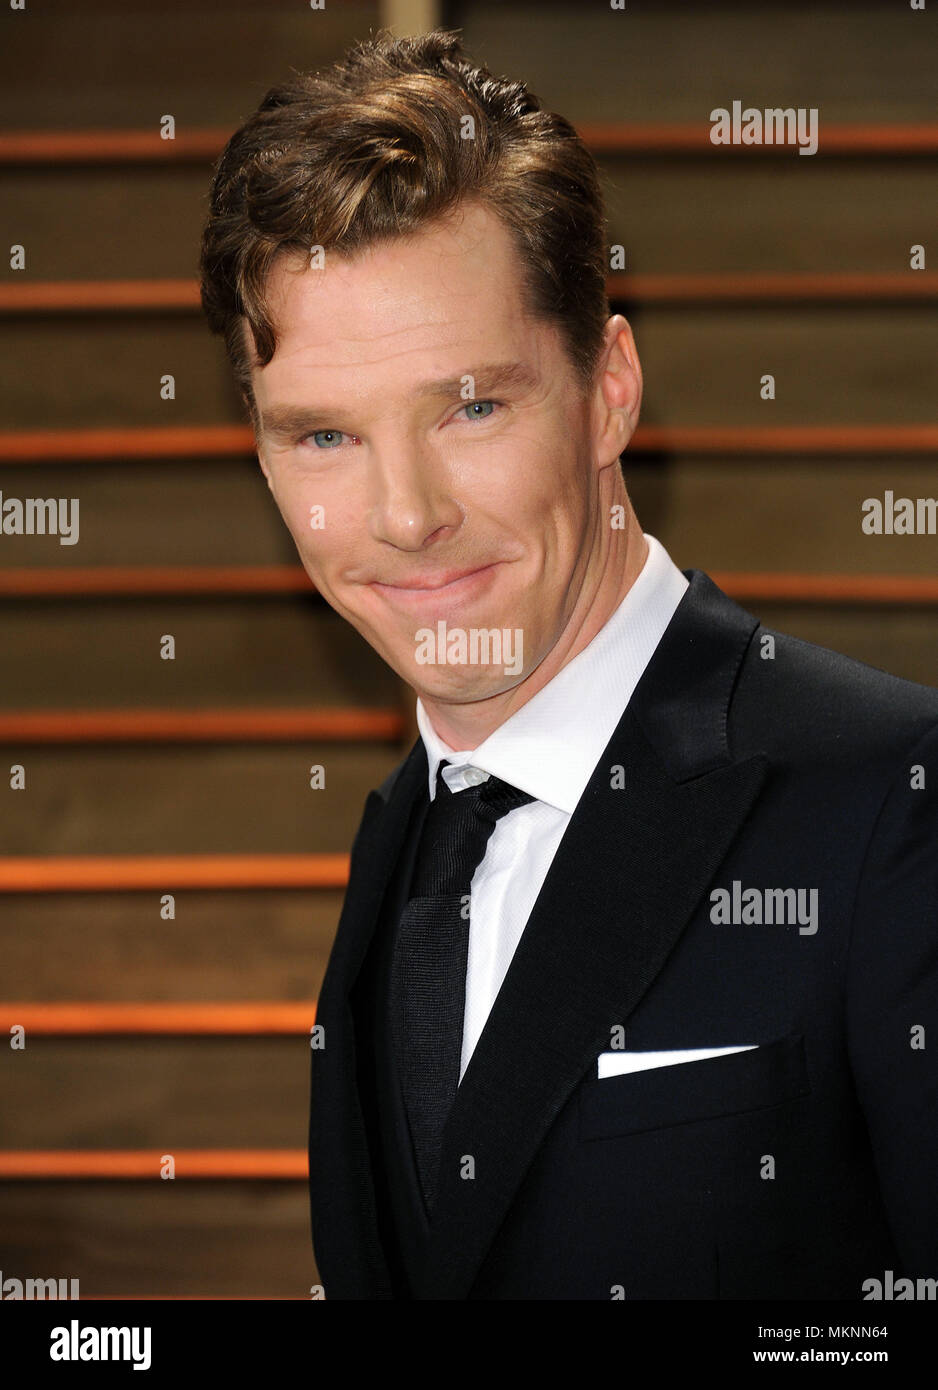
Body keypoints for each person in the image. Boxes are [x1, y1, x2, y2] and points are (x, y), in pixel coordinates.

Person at [199, 28, 938, 1299]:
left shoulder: (890, 800)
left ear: (608, 387)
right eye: (322, 434)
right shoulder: (401, 836)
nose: (405, 514)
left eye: (470, 406)